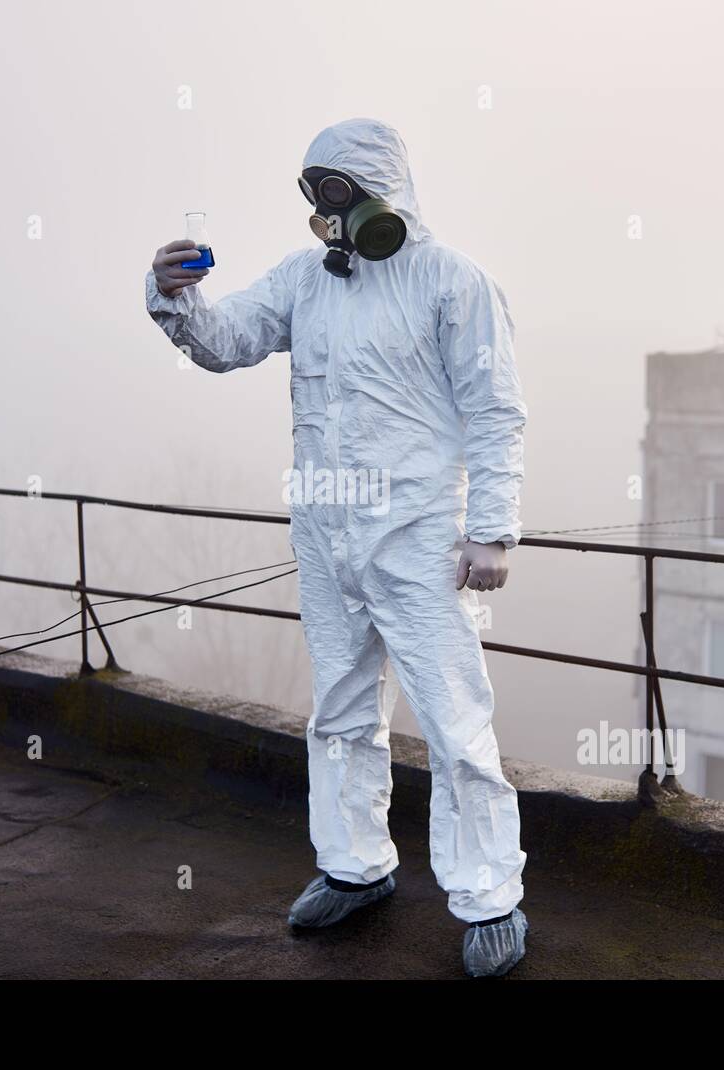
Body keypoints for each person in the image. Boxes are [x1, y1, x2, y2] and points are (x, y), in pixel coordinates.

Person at [145, 118, 529, 978]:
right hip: (325, 535)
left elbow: (497, 412)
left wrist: (492, 531)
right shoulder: (306, 281)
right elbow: (230, 341)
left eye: (339, 188)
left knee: (455, 722)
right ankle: (354, 867)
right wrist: (177, 298)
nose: (327, 208)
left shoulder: (452, 281)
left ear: (379, 186)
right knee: (342, 712)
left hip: (421, 537)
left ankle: (490, 896)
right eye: (315, 190)